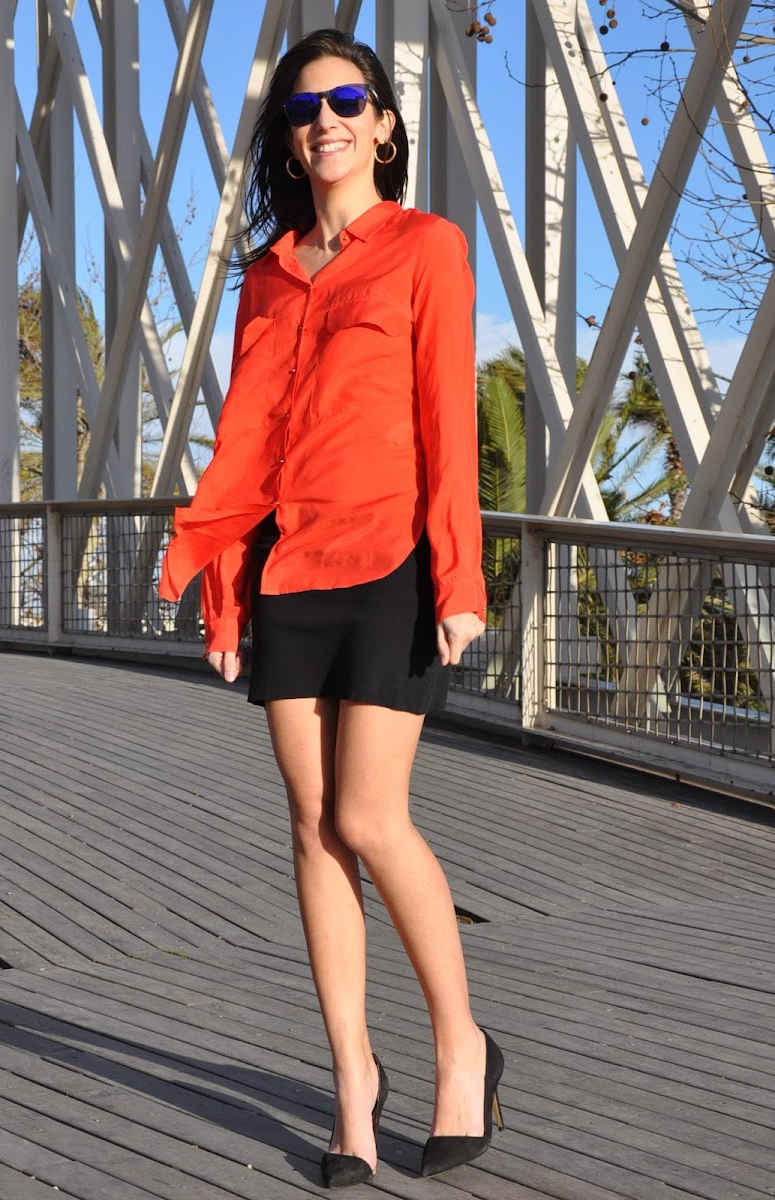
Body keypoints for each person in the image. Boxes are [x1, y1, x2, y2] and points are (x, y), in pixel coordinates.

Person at [159, 27, 504, 1188]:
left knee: (367, 817)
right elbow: (244, 439)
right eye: (306, 109)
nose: (328, 122)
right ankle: (353, 1085)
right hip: (288, 573)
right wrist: (221, 588)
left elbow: (448, 429)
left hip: (391, 563)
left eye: (348, 100)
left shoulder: (426, 250)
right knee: (310, 830)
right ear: (289, 138)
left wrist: (459, 579)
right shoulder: (266, 274)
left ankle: (461, 1046)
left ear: (385, 123)